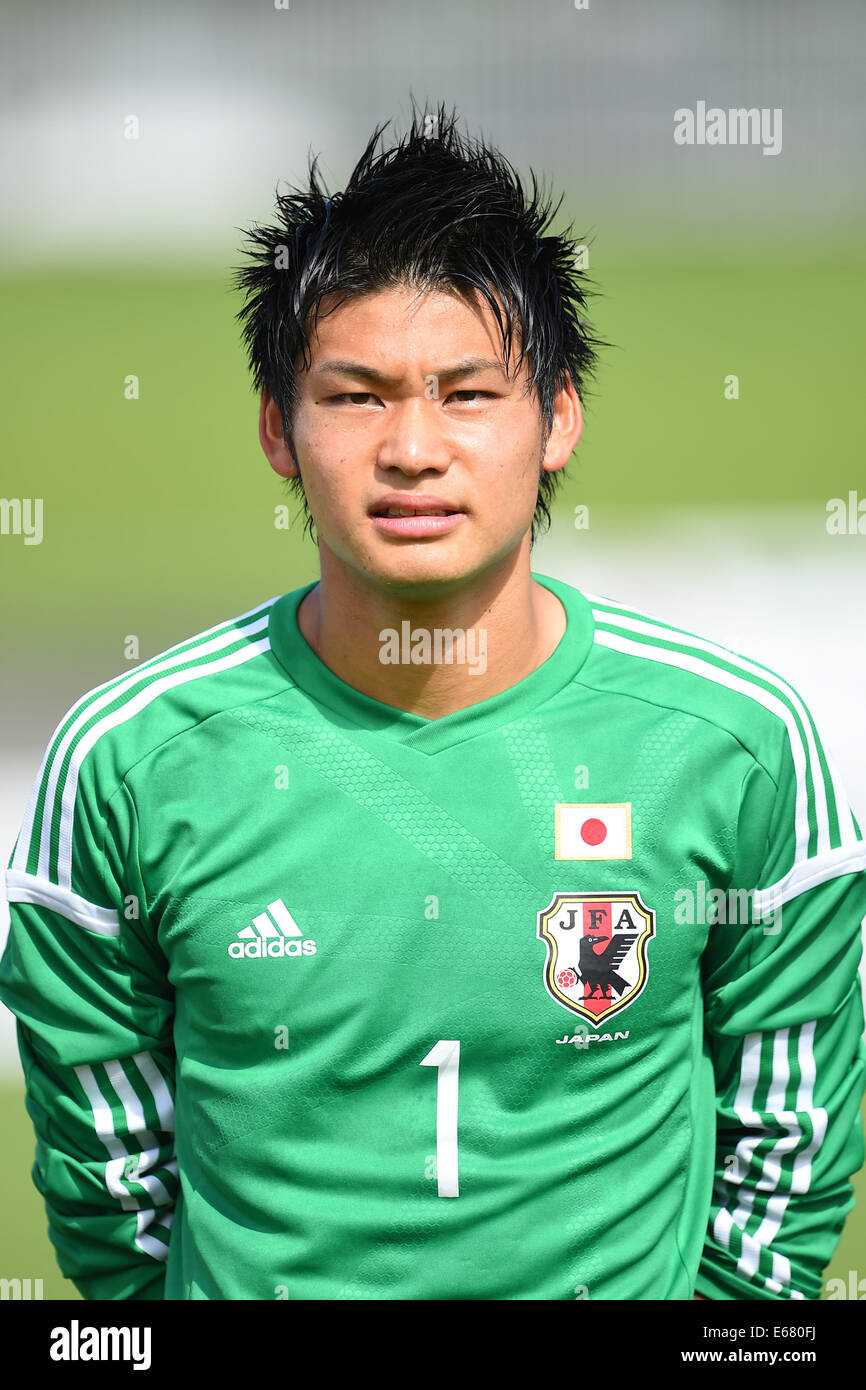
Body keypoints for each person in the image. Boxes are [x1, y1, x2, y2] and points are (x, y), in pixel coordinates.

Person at [2, 103, 864, 1302]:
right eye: (357, 397)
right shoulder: (131, 761)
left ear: (556, 418)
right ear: (277, 431)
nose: (412, 447)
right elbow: (105, 1176)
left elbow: (790, 1144)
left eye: (466, 393)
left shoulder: (733, 747)